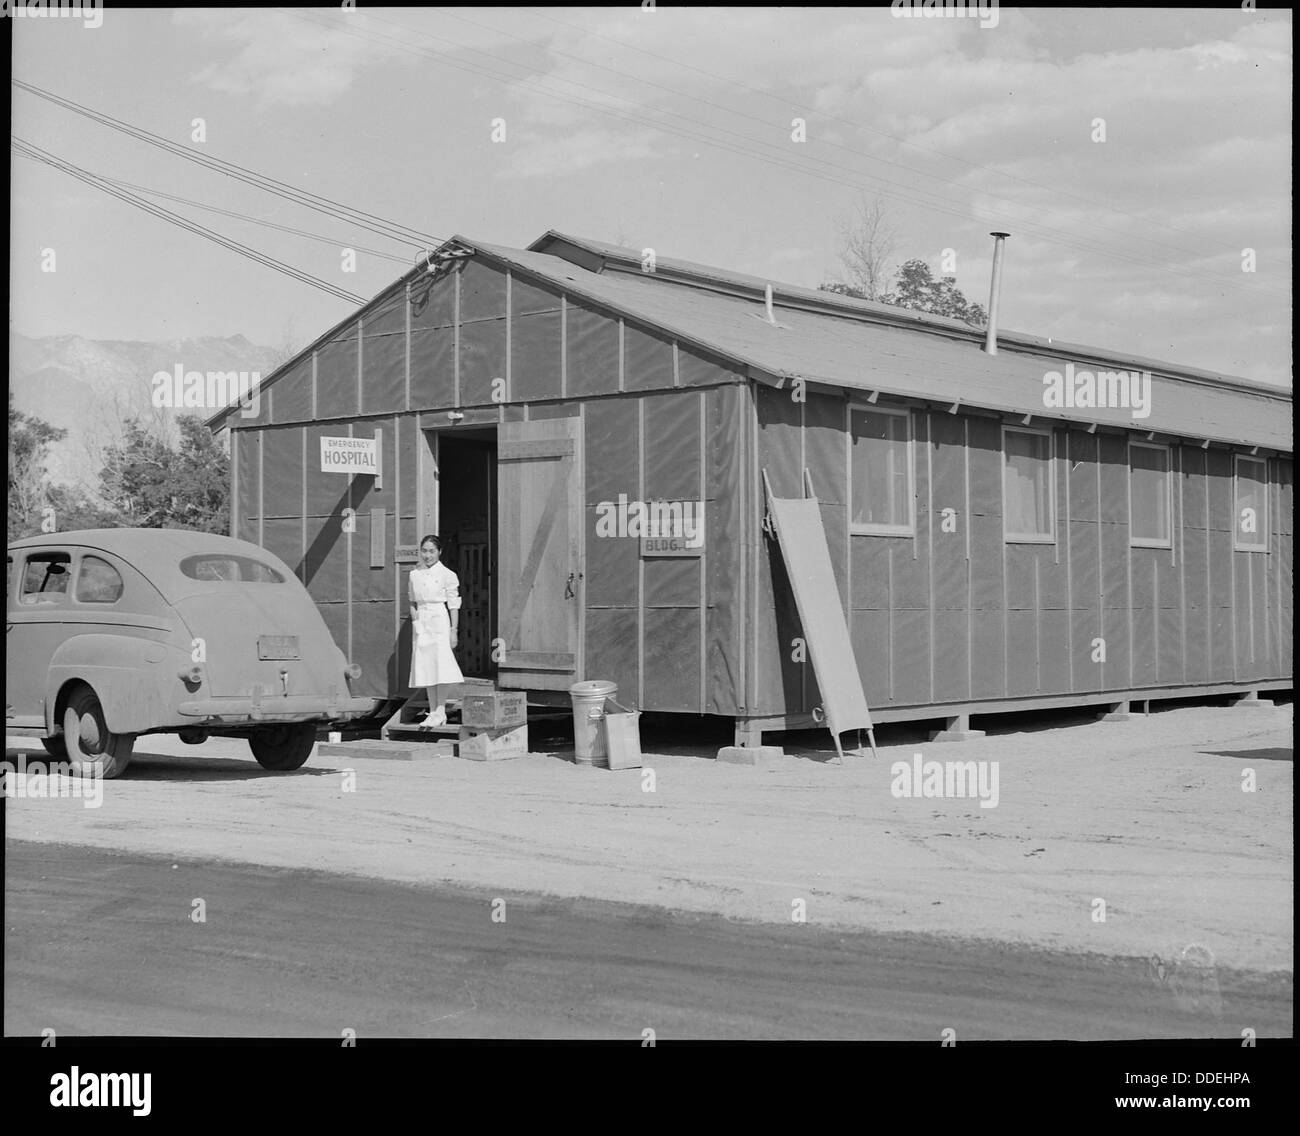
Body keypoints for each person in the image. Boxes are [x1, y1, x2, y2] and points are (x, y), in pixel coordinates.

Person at [408, 534, 463, 727]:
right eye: (424, 551)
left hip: (439, 619)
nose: (427, 555)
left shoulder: (448, 575)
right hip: (422, 621)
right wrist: (417, 623)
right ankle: (432, 711)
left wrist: (453, 630)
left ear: (439, 552)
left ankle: (440, 710)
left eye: (432, 551)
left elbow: (454, 604)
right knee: (426, 666)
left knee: (441, 665)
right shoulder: (414, 574)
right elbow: (412, 602)